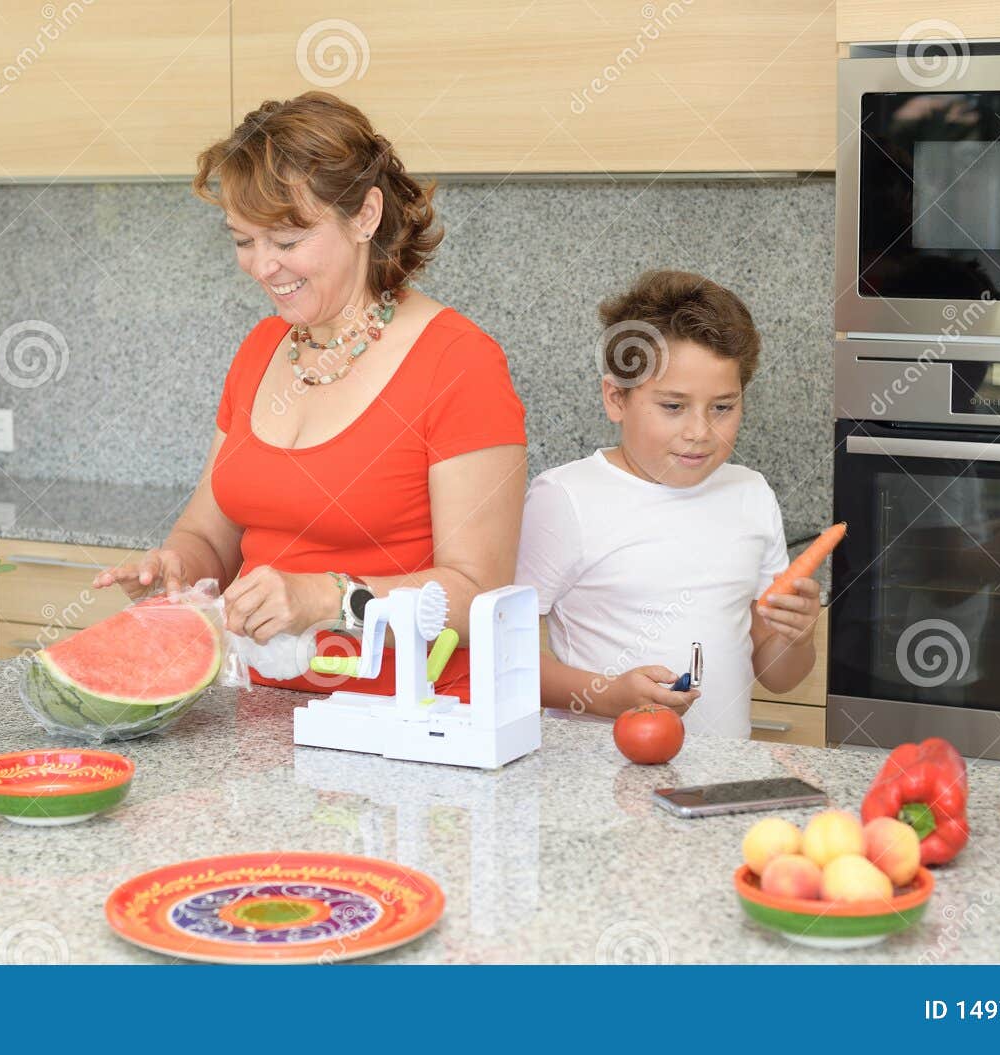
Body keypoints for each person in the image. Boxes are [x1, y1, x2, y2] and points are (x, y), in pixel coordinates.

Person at [94, 92, 527, 699]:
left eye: (288, 240)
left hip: (409, 726)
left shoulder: (460, 362)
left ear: (365, 216)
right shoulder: (262, 348)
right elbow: (210, 535)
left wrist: (326, 596)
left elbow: (479, 594)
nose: (262, 266)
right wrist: (174, 568)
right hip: (259, 709)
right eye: (244, 241)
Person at [515, 270, 821, 737]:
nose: (701, 431)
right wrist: (609, 694)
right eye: (673, 406)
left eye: (722, 407)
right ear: (617, 398)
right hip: (597, 784)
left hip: (718, 784)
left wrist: (797, 636)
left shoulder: (751, 494)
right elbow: (500, 655)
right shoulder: (566, 498)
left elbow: (779, 677)